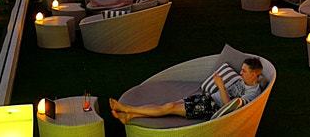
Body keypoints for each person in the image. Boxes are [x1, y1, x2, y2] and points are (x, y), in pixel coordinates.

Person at [110, 57, 264, 124]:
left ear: (253, 75)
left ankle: (126, 108)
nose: (240, 73)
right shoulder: (244, 80)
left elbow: (228, 106)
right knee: (169, 106)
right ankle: (129, 116)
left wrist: (220, 85)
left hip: (211, 108)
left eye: (244, 71)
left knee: (170, 107)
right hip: (207, 99)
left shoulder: (252, 94)